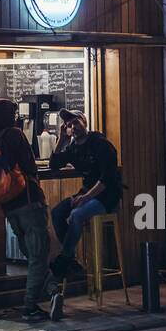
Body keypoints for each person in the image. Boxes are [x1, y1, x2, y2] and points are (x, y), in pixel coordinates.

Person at [0, 98, 62, 322]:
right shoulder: (14, 134)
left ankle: (53, 293)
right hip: (30, 201)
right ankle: (30, 306)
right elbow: (30, 165)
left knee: (33, 254)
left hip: (7, 205)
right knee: (38, 254)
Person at [48, 109, 122, 281]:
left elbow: (107, 179)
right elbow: (54, 165)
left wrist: (85, 197)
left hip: (107, 196)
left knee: (76, 214)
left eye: (75, 122)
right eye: (68, 125)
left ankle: (65, 259)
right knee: (57, 213)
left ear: (84, 122)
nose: (72, 127)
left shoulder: (101, 144)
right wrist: (62, 139)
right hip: (87, 194)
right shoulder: (73, 148)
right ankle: (71, 260)